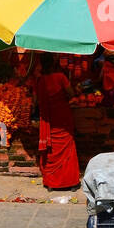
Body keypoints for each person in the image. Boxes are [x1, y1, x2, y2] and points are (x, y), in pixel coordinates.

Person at [34, 53, 81, 190]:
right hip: (63, 117)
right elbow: (71, 94)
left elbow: (35, 101)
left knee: (51, 149)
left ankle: (51, 183)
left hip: (49, 119)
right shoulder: (61, 77)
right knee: (68, 147)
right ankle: (70, 182)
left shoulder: (40, 80)